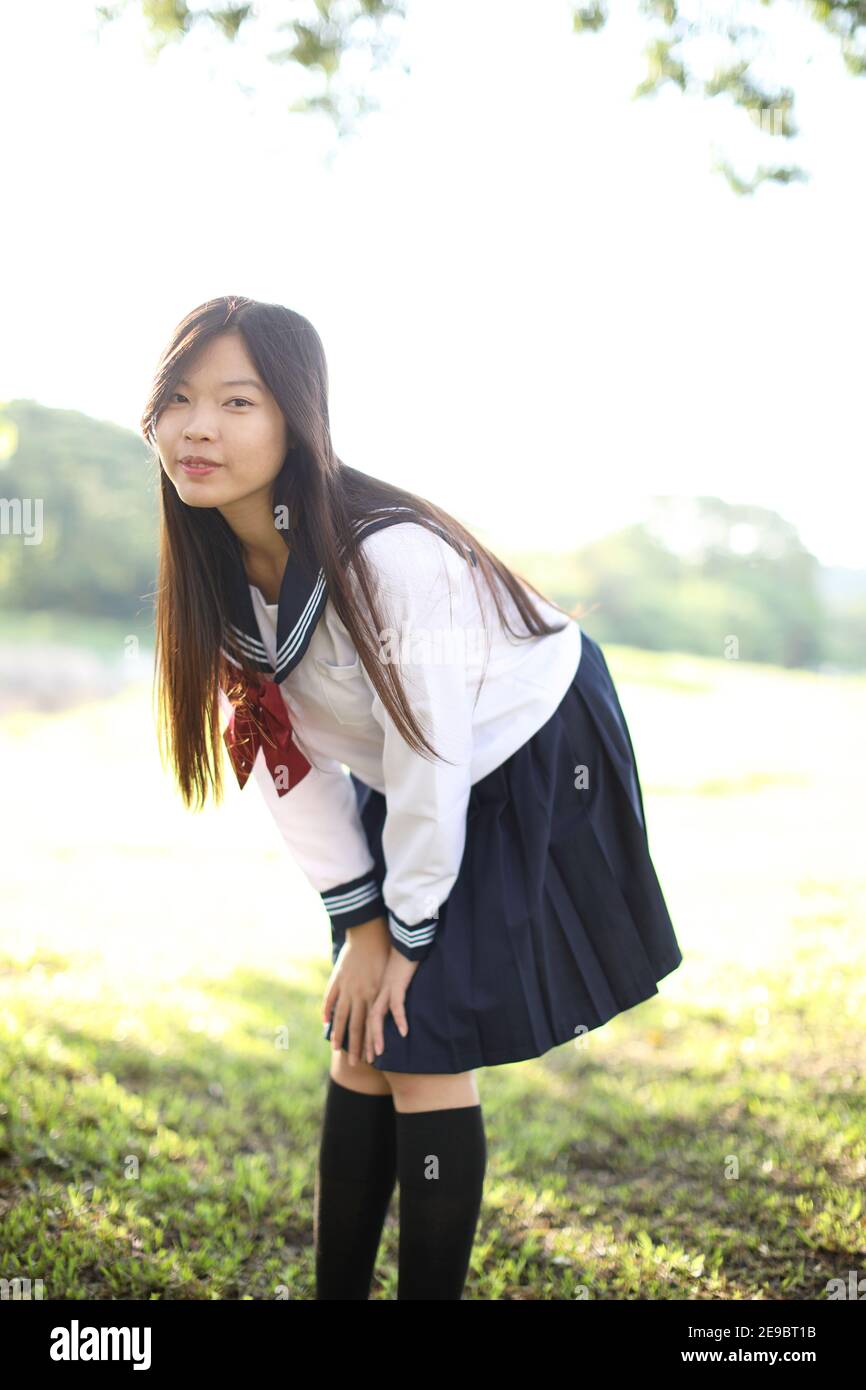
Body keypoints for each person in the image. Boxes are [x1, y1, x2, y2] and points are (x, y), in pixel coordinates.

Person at [143, 294, 683, 1301]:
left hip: (523, 744)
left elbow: (431, 751)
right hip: (418, 773)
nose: (198, 426)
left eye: (235, 401)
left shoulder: (386, 557)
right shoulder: (219, 569)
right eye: (177, 399)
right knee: (363, 1030)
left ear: (297, 417)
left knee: (418, 1033)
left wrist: (407, 925)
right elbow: (279, 756)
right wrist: (357, 921)